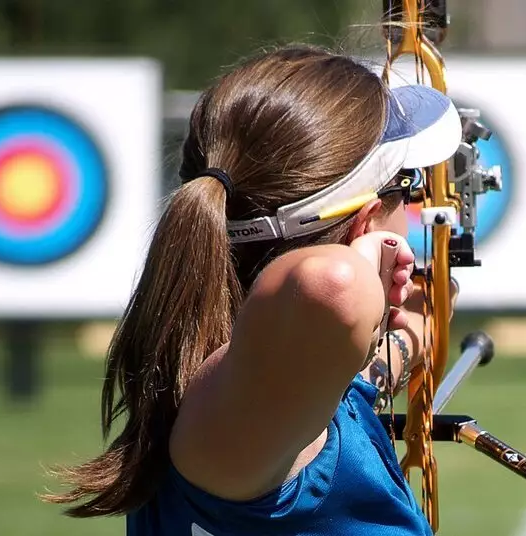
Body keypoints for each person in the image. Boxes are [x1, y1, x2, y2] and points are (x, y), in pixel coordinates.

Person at [42, 45, 463, 536]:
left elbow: (347, 381)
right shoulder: (230, 418)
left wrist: (414, 329)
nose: (411, 209)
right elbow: (332, 287)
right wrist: (366, 260)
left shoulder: (256, 388)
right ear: (368, 220)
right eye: (407, 188)